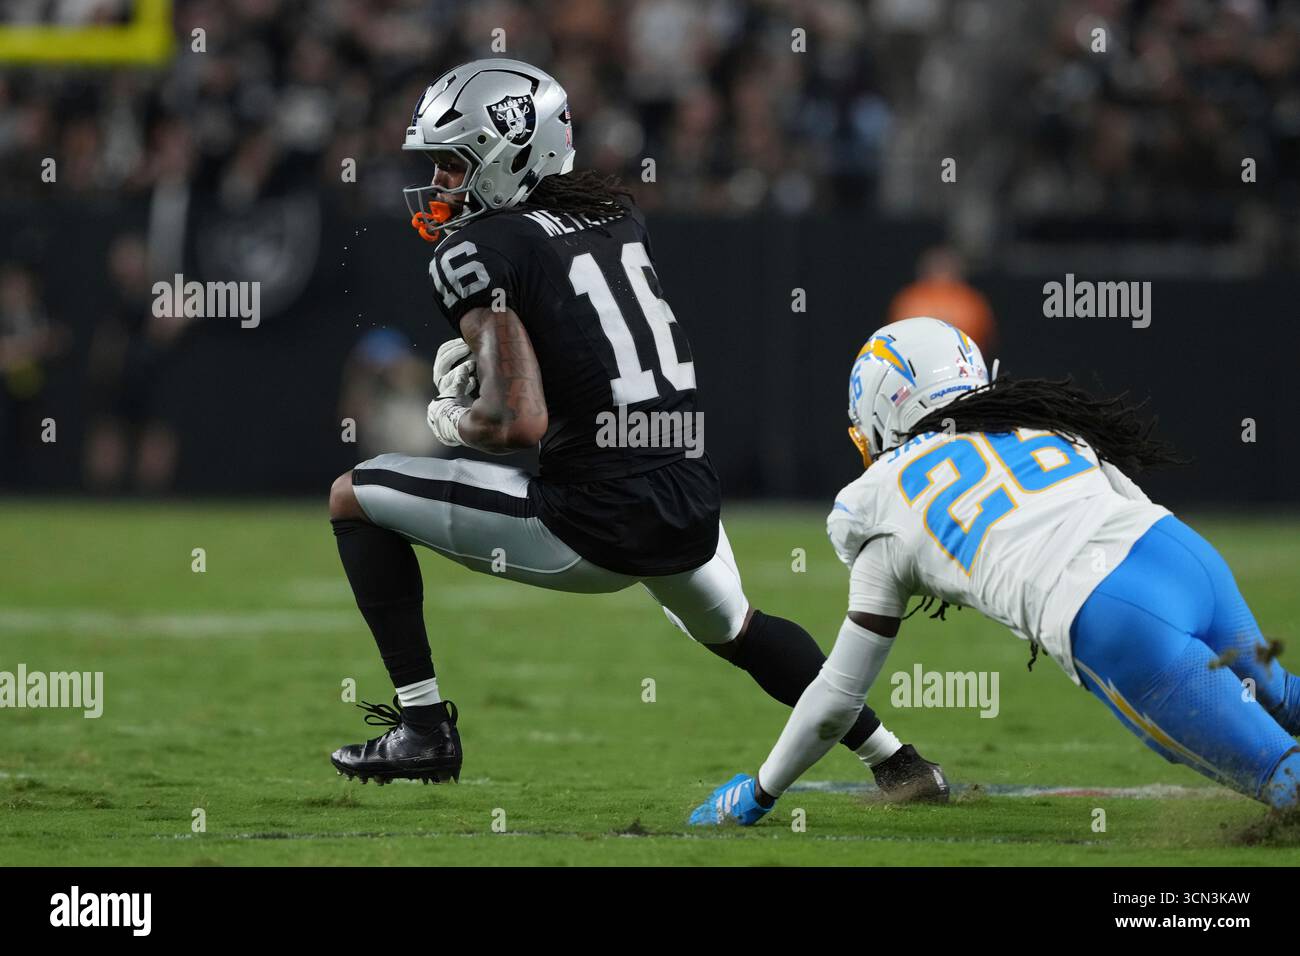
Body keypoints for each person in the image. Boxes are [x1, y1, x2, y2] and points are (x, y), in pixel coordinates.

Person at [326, 59, 946, 798]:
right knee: (740, 631)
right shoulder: (612, 215)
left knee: (352, 496)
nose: (442, 184)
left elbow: (516, 420)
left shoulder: (475, 251)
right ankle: (898, 761)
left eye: (456, 164)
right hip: (684, 492)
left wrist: (454, 418)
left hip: (591, 521)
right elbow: (590, 353)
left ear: (510, 153)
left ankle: (424, 729)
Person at [691, 316, 1300, 825]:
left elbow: (835, 698)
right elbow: (1130, 506)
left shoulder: (877, 501)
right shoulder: (1037, 418)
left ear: (884, 406)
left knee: (1286, 781)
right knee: (1283, 696)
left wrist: (760, 793)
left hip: (1110, 617)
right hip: (1183, 558)